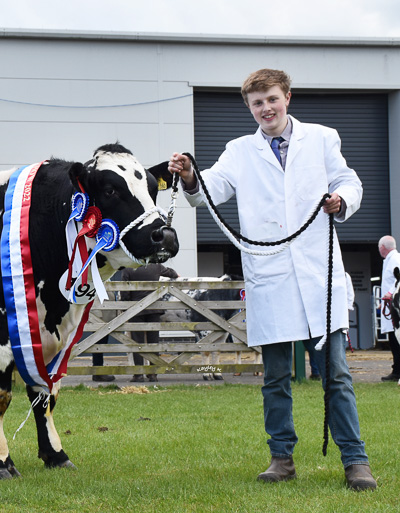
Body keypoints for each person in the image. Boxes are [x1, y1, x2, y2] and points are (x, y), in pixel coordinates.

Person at [168, 68, 376, 491]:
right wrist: (189, 174)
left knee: (336, 375)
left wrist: (342, 199)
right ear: (250, 108)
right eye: (257, 103)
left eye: (272, 99)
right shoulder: (239, 150)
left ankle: (356, 461)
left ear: (287, 98)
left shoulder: (322, 138)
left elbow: (348, 180)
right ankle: (281, 458)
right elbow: (211, 189)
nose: (266, 108)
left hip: (318, 276)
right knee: (276, 378)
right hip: (271, 277)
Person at [121, 263, 179, 382]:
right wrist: (176, 275)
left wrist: (126, 307)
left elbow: (124, 292)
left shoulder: (128, 268)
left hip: (136, 310)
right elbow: (171, 273)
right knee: (153, 342)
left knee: (137, 342)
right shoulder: (156, 266)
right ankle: (153, 374)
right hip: (154, 309)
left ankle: (138, 374)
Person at [378, 236, 400, 381]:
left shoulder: (396, 259)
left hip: (396, 306)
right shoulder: (390, 260)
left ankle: (397, 371)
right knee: (393, 338)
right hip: (391, 305)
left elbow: (399, 279)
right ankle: (396, 369)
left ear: (382, 247)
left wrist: (390, 294)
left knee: (396, 339)